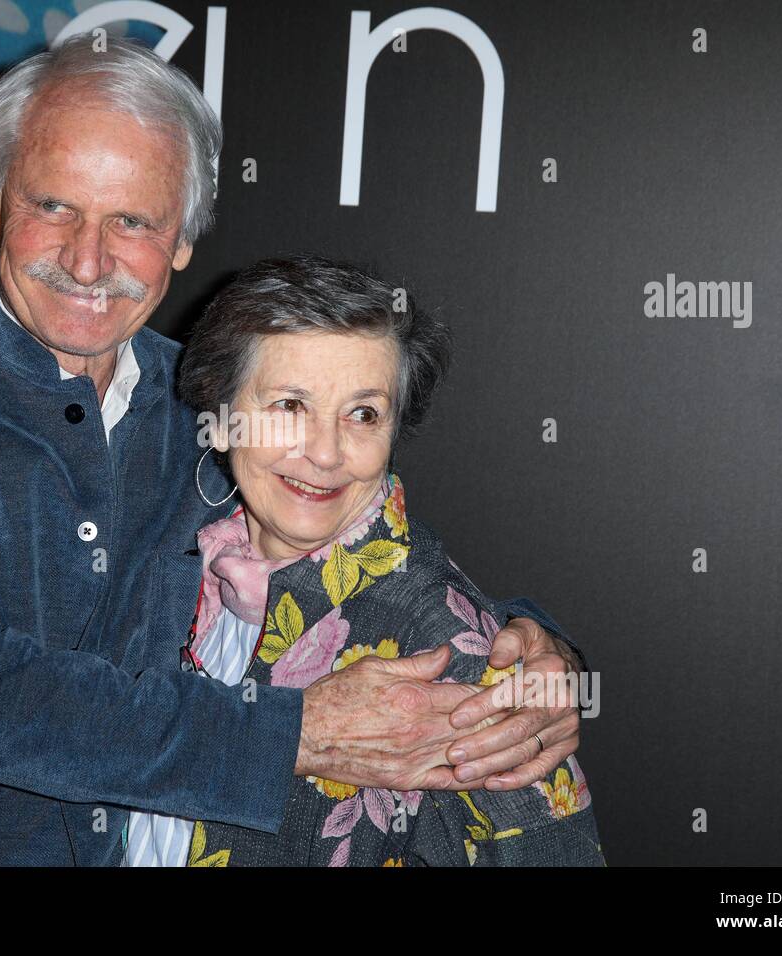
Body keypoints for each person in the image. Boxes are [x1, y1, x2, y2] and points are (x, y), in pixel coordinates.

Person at [0, 35, 588, 866]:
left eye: (133, 220)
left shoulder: (202, 403)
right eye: (52, 205)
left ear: (181, 241)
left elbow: (347, 540)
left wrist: (521, 646)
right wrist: (298, 734)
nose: (88, 259)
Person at [123, 255, 601, 866]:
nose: (326, 452)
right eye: (291, 404)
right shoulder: (174, 569)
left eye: (363, 414)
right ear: (218, 418)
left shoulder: (448, 647)